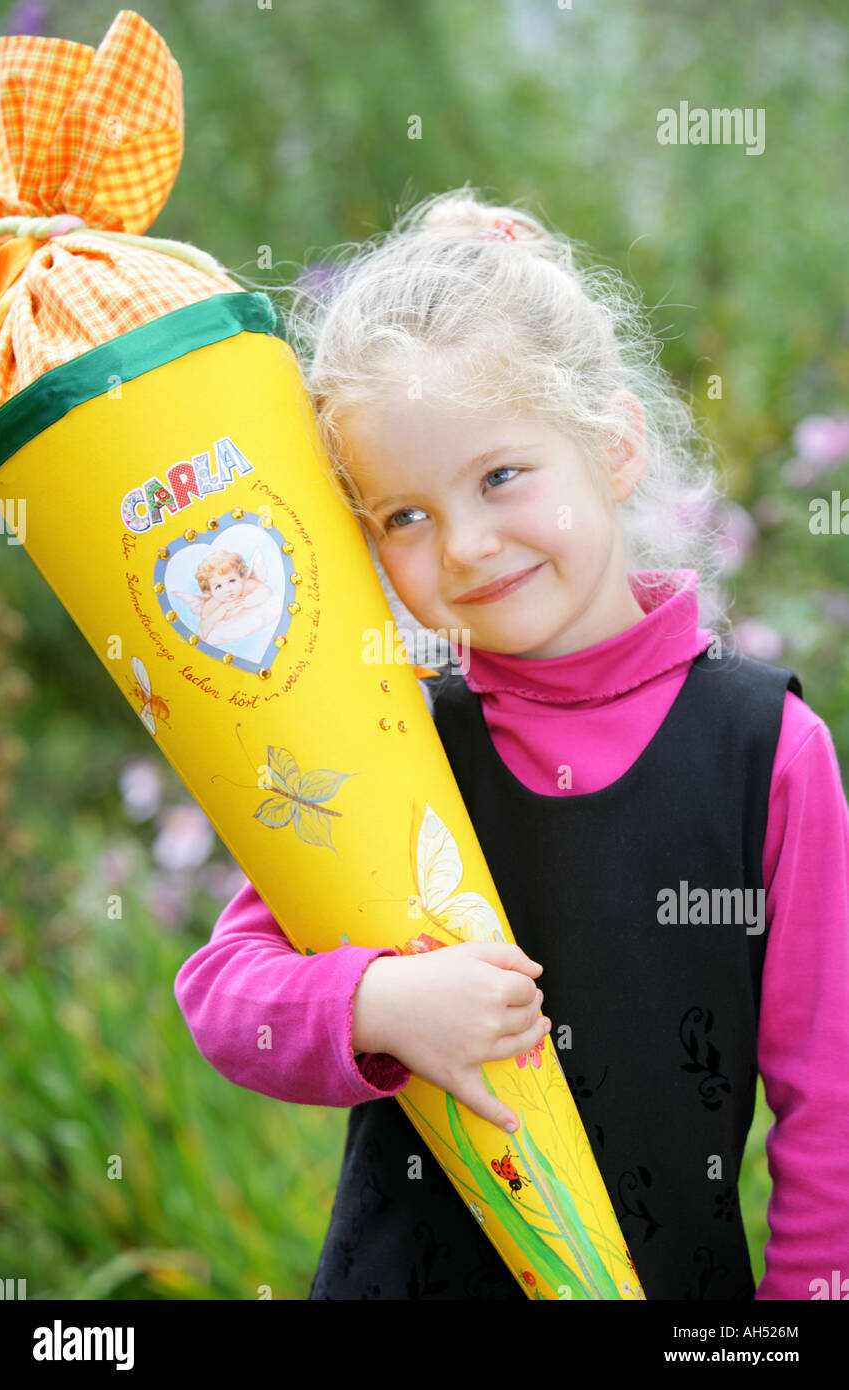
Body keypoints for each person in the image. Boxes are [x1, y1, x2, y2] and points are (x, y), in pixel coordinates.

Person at [173, 187, 849, 1301]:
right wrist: (375, 1007)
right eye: (403, 516)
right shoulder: (397, 742)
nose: (468, 545)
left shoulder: (764, 749)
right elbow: (223, 995)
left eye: (498, 477)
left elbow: (827, 1104)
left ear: (614, 445)